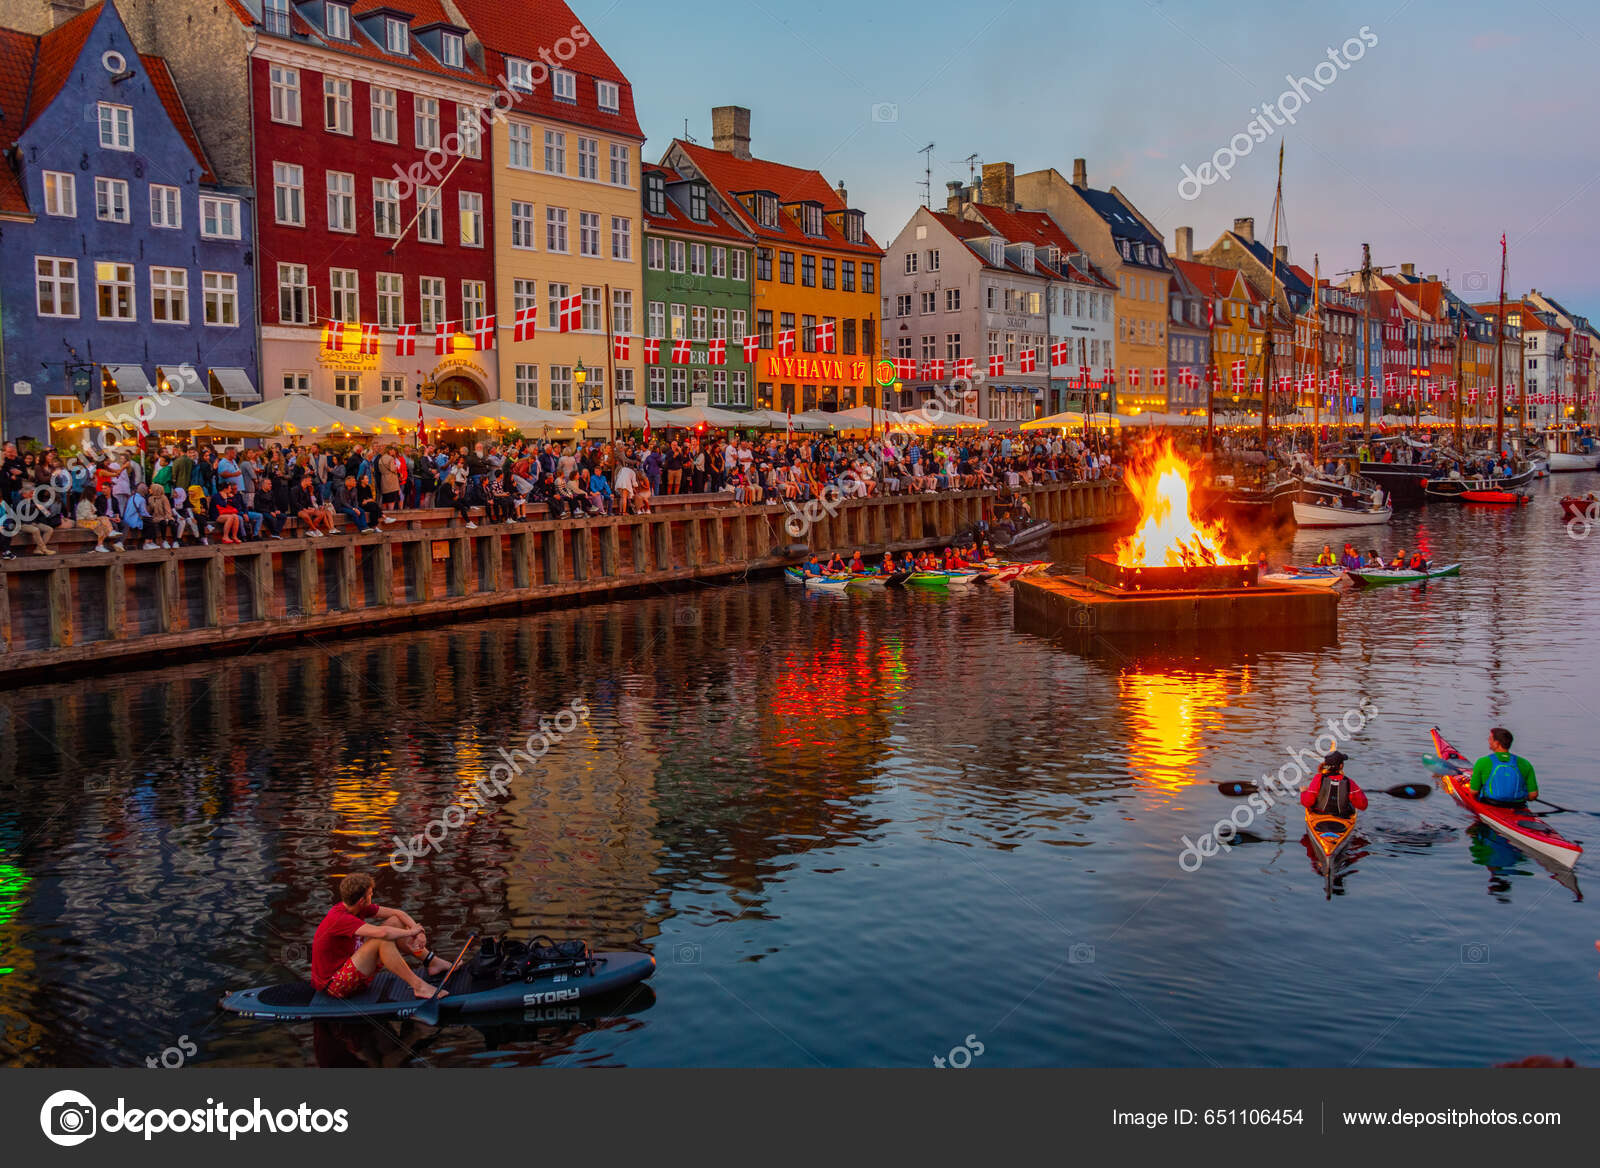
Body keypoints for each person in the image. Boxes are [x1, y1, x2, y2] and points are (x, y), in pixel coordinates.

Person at [310, 873, 451, 1002]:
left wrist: (417, 931)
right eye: (370, 894)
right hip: (334, 985)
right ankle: (419, 987)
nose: (372, 895)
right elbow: (383, 933)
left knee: (395, 921)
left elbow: (398, 913)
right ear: (361, 900)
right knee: (382, 941)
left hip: (352, 966)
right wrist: (411, 932)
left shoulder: (357, 907)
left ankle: (432, 962)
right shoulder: (339, 918)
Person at [1470, 727, 1538, 808]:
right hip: (1518, 806)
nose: (1488, 741)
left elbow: (1474, 791)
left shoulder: (1482, 762)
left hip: (1491, 803)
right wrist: (1524, 797)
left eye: (1490, 738)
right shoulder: (1525, 763)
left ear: (1497, 743)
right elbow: (1533, 795)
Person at [1300, 751, 1368, 815]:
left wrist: (1304, 792)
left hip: (1319, 815)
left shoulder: (1318, 778)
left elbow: (1307, 802)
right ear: (1341, 766)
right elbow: (1363, 805)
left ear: (1326, 765)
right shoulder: (1349, 782)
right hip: (1342, 817)